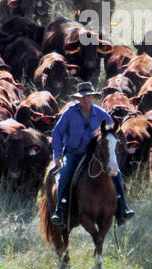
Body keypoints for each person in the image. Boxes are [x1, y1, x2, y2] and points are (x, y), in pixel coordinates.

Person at [49, 82, 134, 226]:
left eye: (88, 97)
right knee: (65, 173)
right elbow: (56, 132)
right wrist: (57, 155)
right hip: (74, 153)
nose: (86, 100)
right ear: (78, 99)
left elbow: (113, 133)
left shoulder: (102, 115)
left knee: (117, 173)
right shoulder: (69, 113)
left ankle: (122, 207)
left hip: (96, 155)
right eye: (83, 97)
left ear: (93, 98)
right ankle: (60, 209)